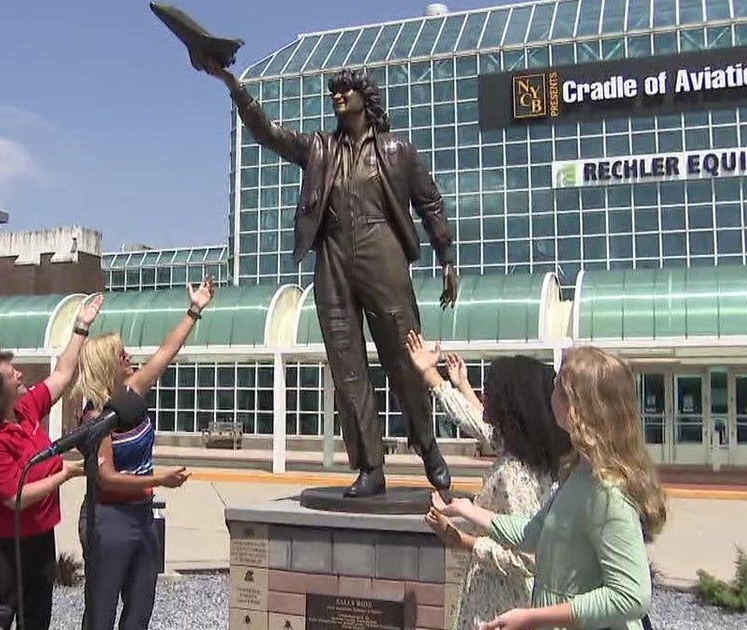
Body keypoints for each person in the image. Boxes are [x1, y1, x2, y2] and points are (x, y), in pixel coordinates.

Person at [202, 59, 458, 498]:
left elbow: (429, 202)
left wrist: (446, 257)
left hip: (383, 254)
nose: (338, 96)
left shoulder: (397, 151)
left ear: (365, 98)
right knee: (347, 370)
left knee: (405, 357)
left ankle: (427, 444)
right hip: (334, 260)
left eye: (346, 89)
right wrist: (234, 86)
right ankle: (370, 467)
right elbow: (270, 134)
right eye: (333, 91)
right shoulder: (320, 148)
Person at [432, 346, 666, 630]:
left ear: (577, 406)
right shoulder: (579, 471)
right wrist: (468, 510)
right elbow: (535, 532)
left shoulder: (606, 493)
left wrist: (532, 616)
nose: (548, 394)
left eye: (557, 387)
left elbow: (631, 596)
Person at [71, 277, 215, 630]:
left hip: (141, 517)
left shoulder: (132, 392)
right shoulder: (96, 413)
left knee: (139, 610)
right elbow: (105, 478)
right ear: (109, 364)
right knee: (101, 615)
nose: (131, 357)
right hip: (108, 519)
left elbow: (166, 352)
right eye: (123, 355)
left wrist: (194, 310)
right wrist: (159, 480)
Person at [406, 333, 571, 630]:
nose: (484, 397)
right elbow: (479, 423)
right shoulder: (529, 451)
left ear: (511, 406)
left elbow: (528, 558)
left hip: (502, 610)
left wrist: (460, 540)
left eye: (491, 392)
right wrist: (443, 380)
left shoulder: (514, 472)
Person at [0, 295, 104, 630]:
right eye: (12, 373)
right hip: (0, 545)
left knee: (38, 619)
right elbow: (15, 497)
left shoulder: (25, 409)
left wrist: (81, 326)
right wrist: (66, 473)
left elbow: (63, 373)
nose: (20, 374)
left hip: (39, 537)